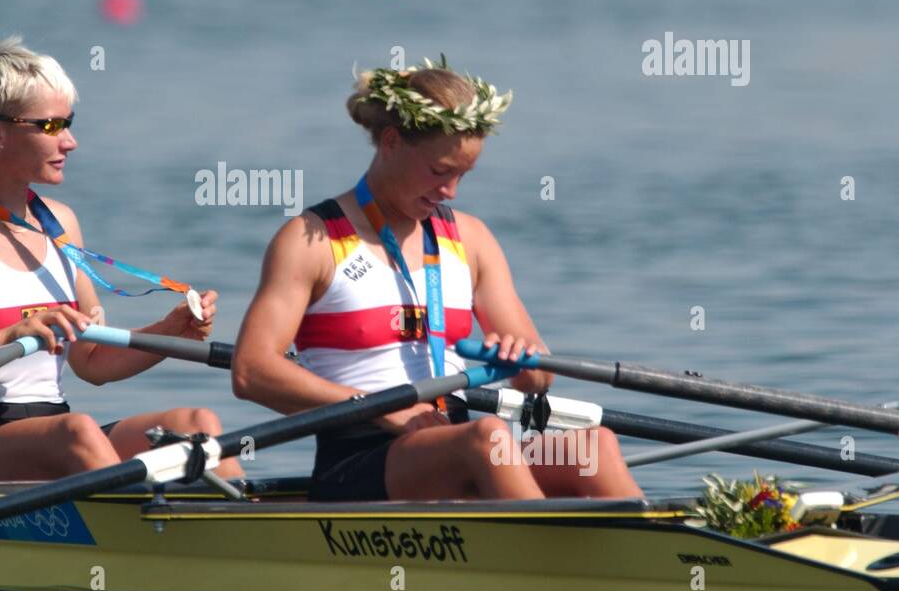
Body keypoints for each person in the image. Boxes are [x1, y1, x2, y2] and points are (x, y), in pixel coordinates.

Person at [231, 57, 641, 500]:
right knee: (488, 439)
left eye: (463, 174)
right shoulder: (311, 240)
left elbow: (538, 381)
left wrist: (526, 365)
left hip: (464, 445)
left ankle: (668, 562)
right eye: (440, 171)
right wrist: (380, 410)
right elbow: (252, 371)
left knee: (593, 446)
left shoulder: (471, 239)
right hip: (360, 460)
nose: (451, 192)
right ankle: (545, 560)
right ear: (390, 142)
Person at [0, 37, 242, 482]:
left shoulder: (60, 224)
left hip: (54, 434)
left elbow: (94, 361)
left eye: (69, 123)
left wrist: (169, 330)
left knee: (196, 426)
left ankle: (247, 536)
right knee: (75, 432)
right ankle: (148, 534)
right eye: (50, 126)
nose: (71, 141)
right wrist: (4, 338)